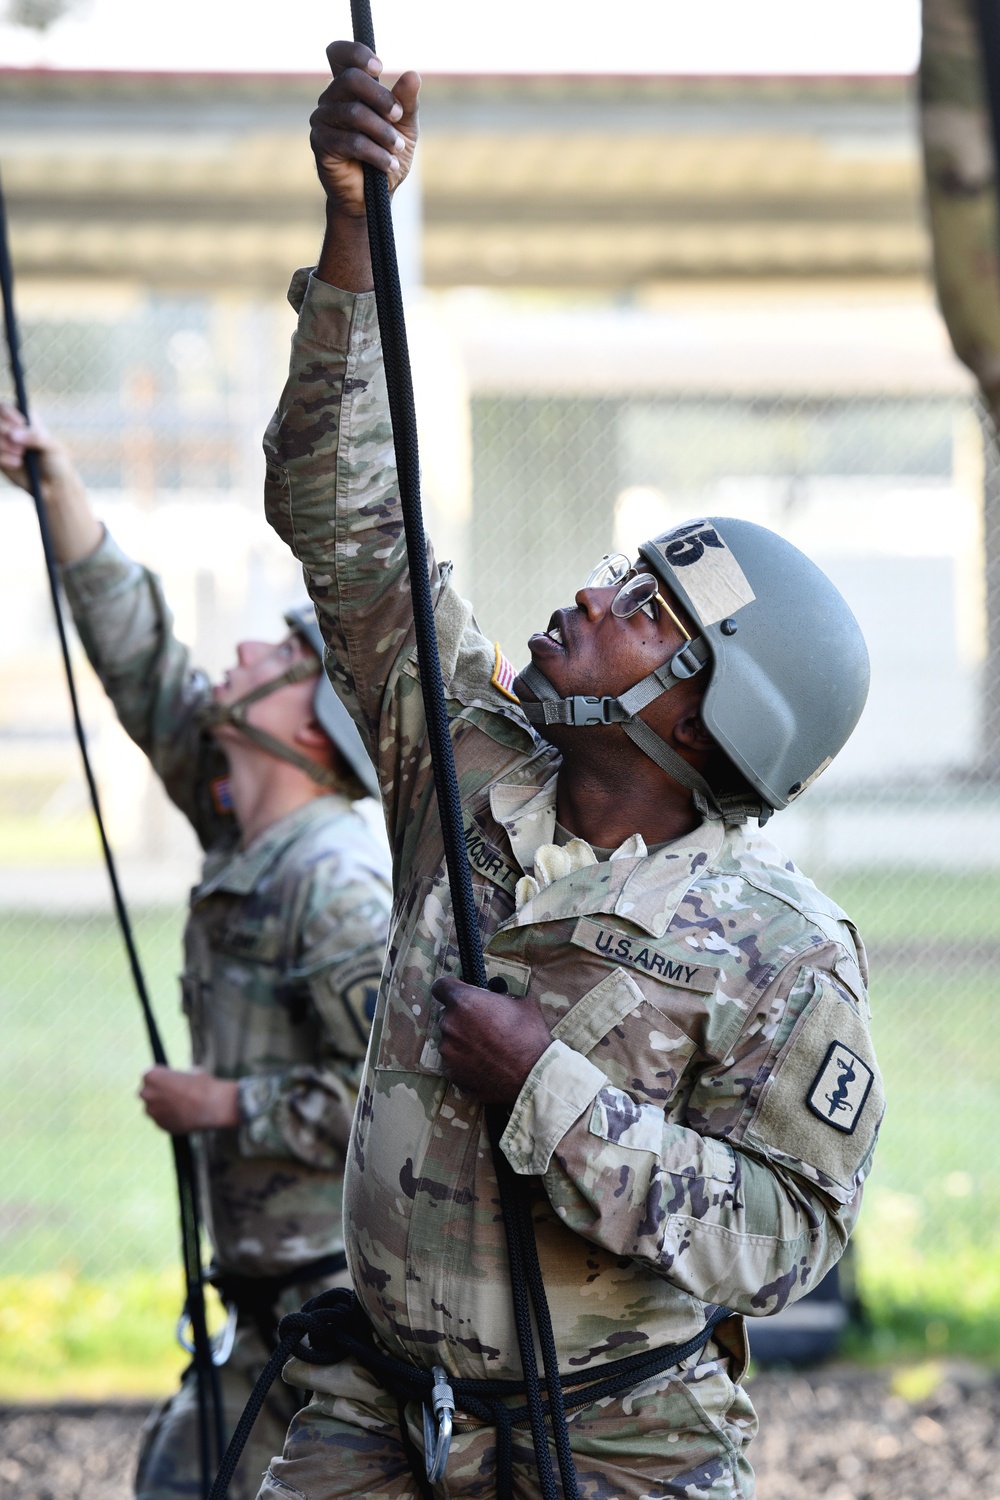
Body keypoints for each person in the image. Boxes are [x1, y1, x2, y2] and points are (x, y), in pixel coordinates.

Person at [250, 40, 883, 1500]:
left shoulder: (780, 954)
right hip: (381, 1411)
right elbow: (347, 515)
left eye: (645, 612)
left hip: (620, 1441)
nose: (594, 600)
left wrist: (549, 1090)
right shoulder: (462, 760)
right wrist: (355, 222)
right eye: (622, 574)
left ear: (706, 715)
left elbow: (787, 1237)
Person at [0, 401, 393, 1500]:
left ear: (309, 724)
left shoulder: (332, 883)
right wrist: (58, 495)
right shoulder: (244, 827)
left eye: (272, 652)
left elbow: (389, 1109)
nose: (243, 649)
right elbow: (140, 661)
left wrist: (227, 1109)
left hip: (333, 1321)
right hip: (269, 1312)